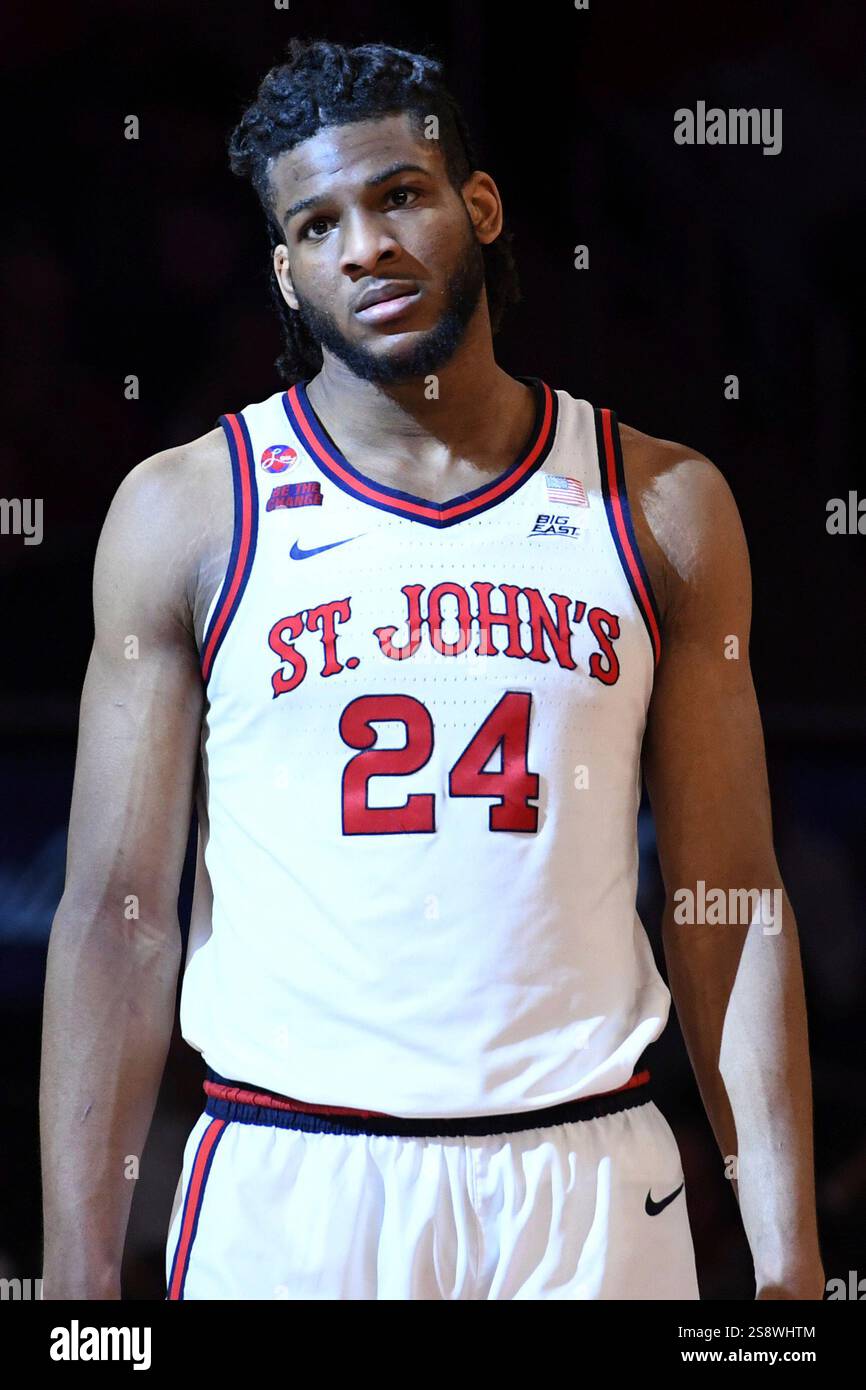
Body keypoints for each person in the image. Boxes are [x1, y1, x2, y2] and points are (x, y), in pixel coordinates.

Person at [40, 37, 824, 1300]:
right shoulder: (190, 510)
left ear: (479, 205)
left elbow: (727, 895)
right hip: (290, 1178)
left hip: (587, 1174)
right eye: (318, 223)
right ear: (288, 275)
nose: (365, 245)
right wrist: (77, 1288)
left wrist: (787, 1259)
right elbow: (115, 920)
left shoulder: (663, 504)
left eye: (397, 194)